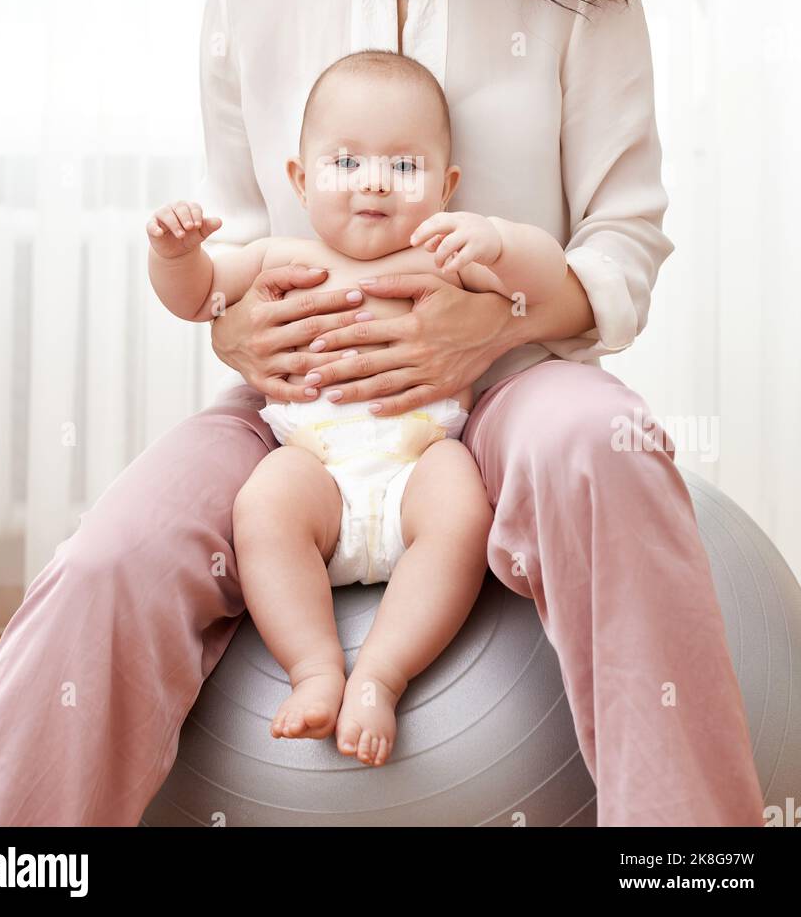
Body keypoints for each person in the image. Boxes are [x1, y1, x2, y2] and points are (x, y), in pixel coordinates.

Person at [0, 0, 765, 828]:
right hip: (296, 415)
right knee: (109, 557)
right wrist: (233, 330)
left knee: (605, 449)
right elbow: (229, 243)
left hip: (516, 385)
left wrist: (486, 328)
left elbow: (625, 252)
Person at [146, 49, 568, 767]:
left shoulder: (445, 257)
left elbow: (546, 275)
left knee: (460, 502)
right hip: (319, 478)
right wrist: (177, 254)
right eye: (345, 163)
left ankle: (380, 674)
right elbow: (196, 298)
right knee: (264, 503)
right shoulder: (276, 255)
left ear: (446, 185)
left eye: (404, 166)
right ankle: (315, 668)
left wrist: (500, 240)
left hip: (415, 471)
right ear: (300, 181)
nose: (373, 181)